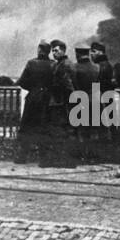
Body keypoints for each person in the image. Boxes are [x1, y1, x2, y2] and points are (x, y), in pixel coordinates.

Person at [15, 40, 55, 163]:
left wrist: (33, 88)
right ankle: (44, 157)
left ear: (39, 49)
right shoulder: (53, 64)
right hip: (47, 99)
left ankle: (22, 156)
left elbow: (22, 81)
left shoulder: (31, 63)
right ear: (49, 51)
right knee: (45, 127)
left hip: (33, 98)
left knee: (27, 127)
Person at [40, 39, 77, 168]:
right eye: (53, 51)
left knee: (61, 131)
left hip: (61, 103)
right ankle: (62, 160)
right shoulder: (61, 64)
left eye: (56, 50)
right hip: (58, 102)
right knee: (60, 131)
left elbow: (68, 86)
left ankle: (64, 160)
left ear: (63, 50)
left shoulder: (65, 65)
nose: (54, 53)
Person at [71, 45, 100, 162]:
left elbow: (73, 85)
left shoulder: (75, 67)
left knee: (81, 130)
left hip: (80, 101)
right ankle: (92, 156)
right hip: (94, 100)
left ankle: (82, 156)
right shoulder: (96, 67)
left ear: (78, 54)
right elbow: (97, 86)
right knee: (93, 130)